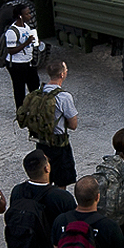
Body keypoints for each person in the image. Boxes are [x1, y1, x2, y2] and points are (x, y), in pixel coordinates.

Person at [23, 55, 80, 187]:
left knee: (43, 179)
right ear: (61, 75)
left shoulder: (39, 92)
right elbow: (73, 125)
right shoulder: (64, 97)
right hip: (59, 145)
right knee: (61, 183)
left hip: (41, 142)